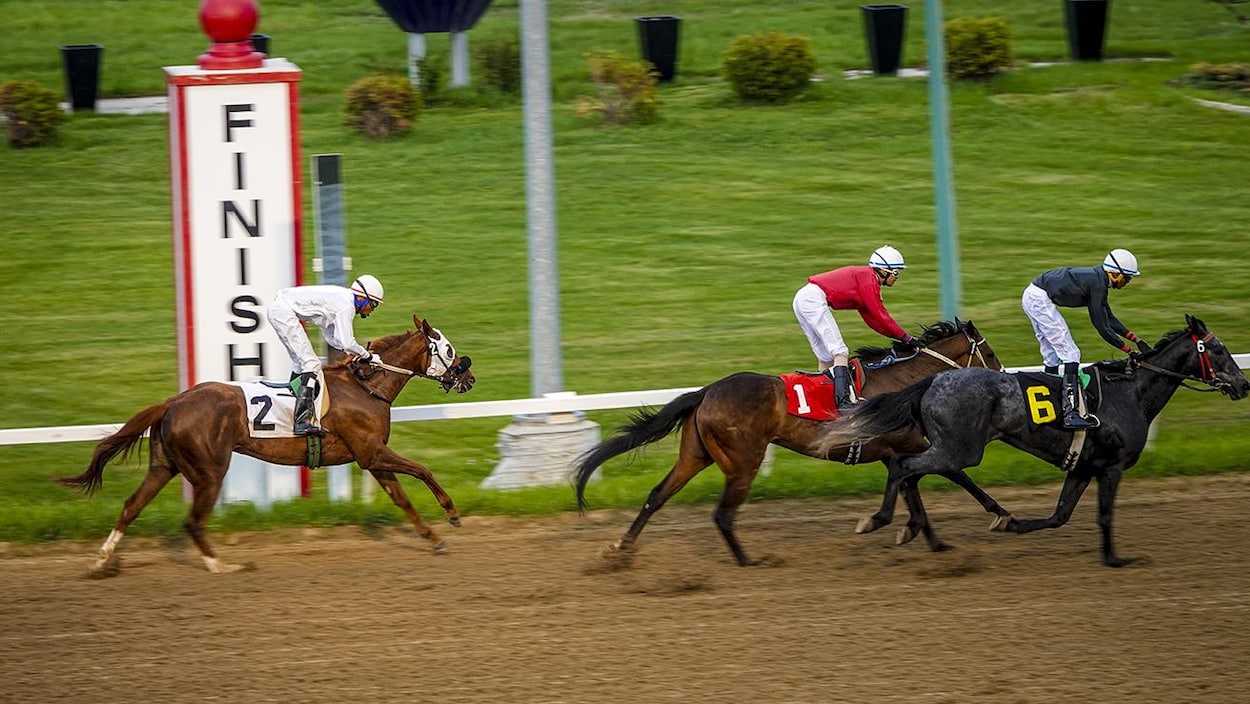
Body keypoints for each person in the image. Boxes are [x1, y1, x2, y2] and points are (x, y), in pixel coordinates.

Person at [1021, 249, 1151, 430]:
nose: (1127, 282)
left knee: (1052, 356)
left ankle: (1051, 403)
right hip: (1039, 299)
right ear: (1114, 273)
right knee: (1071, 354)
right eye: (1126, 277)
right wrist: (1128, 350)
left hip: (1033, 295)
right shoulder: (1097, 283)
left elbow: (1109, 318)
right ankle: (1070, 413)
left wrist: (1135, 339)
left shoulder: (1098, 280)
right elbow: (1102, 327)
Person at [793, 245, 921, 411]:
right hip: (812, 300)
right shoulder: (869, 281)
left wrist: (901, 337)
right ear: (884, 270)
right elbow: (880, 316)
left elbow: (873, 320)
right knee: (840, 351)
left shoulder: (866, 280)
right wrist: (906, 338)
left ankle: (823, 396)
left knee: (825, 354)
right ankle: (843, 401)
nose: (897, 277)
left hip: (803, 298)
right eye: (896, 272)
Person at [267, 274, 386, 436]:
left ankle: (294, 404)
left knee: (300, 363)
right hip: (283, 311)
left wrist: (354, 353)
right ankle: (302, 420)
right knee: (311, 364)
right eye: (373, 305)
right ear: (362, 299)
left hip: (280, 309)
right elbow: (347, 342)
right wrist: (368, 356)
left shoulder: (341, 300)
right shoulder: (346, 305)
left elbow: (333, 339)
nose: (371, 310)